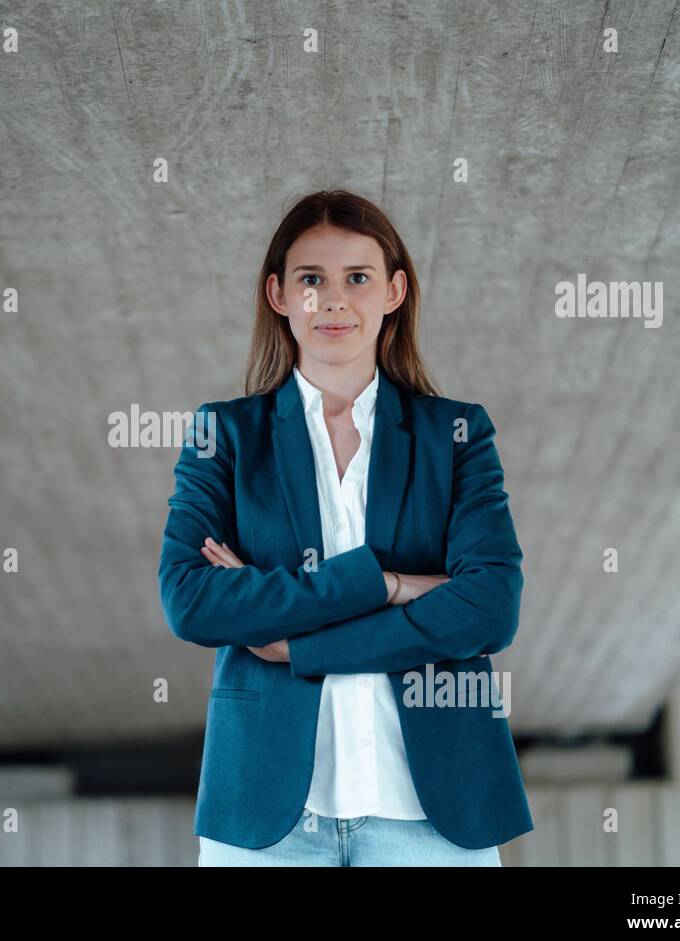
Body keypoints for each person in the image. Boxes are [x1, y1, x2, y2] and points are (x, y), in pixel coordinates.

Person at [158, 189, 532, 866]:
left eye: (357, 277)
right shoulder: (225, 434)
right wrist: (384, 582)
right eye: (311, 279)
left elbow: (490, 608)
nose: (334, 300)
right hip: (265, 818)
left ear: (394, 290)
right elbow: (191, 599)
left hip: (434, 810)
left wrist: (299, 643)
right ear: (278, 294)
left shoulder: (456, 434)